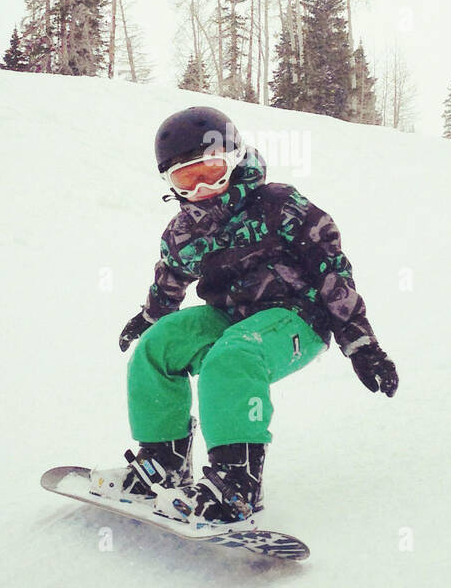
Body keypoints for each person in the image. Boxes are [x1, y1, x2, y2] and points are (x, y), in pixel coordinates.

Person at [92, 105, 398, 526]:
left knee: (233, 356)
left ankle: (237, 483)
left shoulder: (280, 206)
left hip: (297, 317)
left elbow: (332, 268)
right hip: (232, 316)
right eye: (186, 179)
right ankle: (163, 460)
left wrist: (360, 342)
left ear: (235, 159)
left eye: (210, 171)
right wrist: (150, 318)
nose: (202, 188)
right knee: (158, 347)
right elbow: (172, 276)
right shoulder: (184, 231)